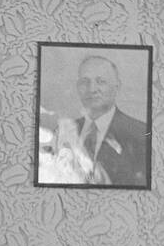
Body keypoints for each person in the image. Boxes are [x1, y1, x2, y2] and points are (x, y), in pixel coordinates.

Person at [39, 54, 147, 187]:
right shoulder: (62, 132)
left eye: (101, 81)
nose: (92, 89)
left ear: (117, 87)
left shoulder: (141, 134)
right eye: (85, 82)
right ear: (78, 87)